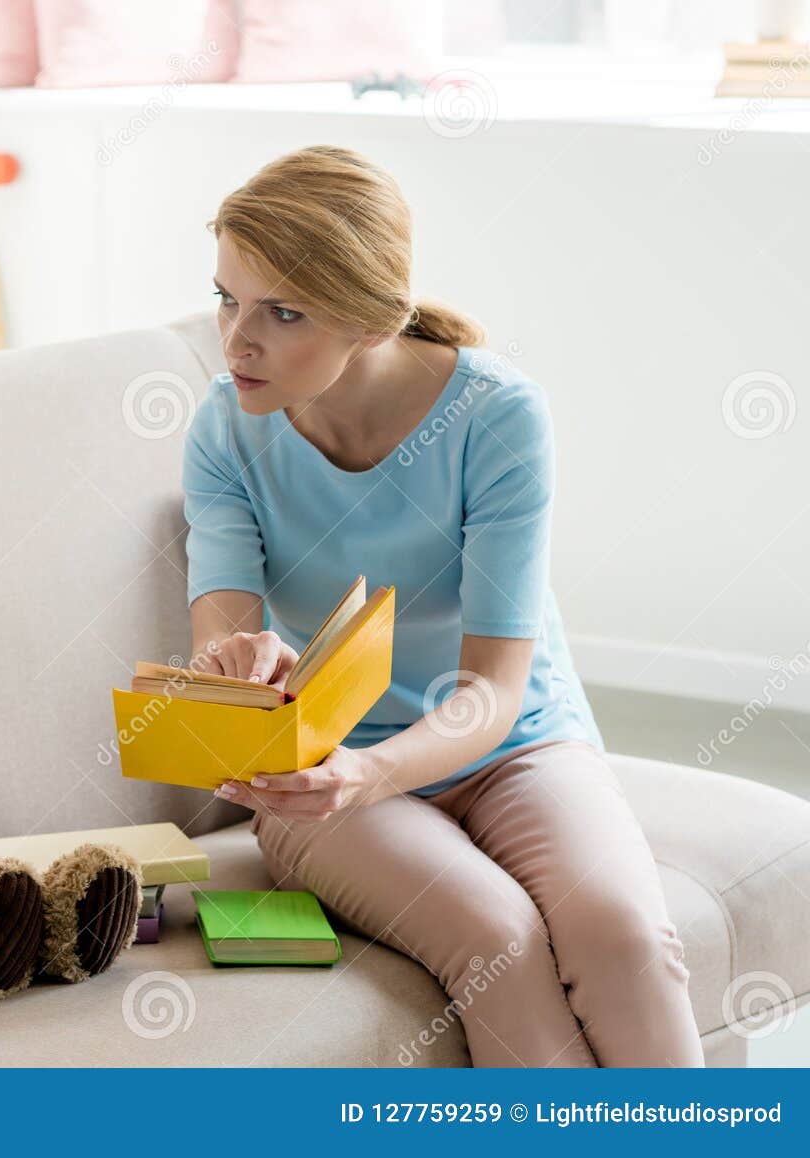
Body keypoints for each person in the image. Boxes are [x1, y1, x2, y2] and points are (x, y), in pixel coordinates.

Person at [185, 145, 703, 1066]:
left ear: (369, 317)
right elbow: (221, 630)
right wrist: (237, 668)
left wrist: (373, 773)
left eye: (281, 312)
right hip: (322, 779)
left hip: (515, 744)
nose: (235, 342)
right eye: (226, 298)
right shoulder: (226, 426)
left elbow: (493, 695)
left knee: (625, 937)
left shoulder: (498, 416)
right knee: (497, 939)